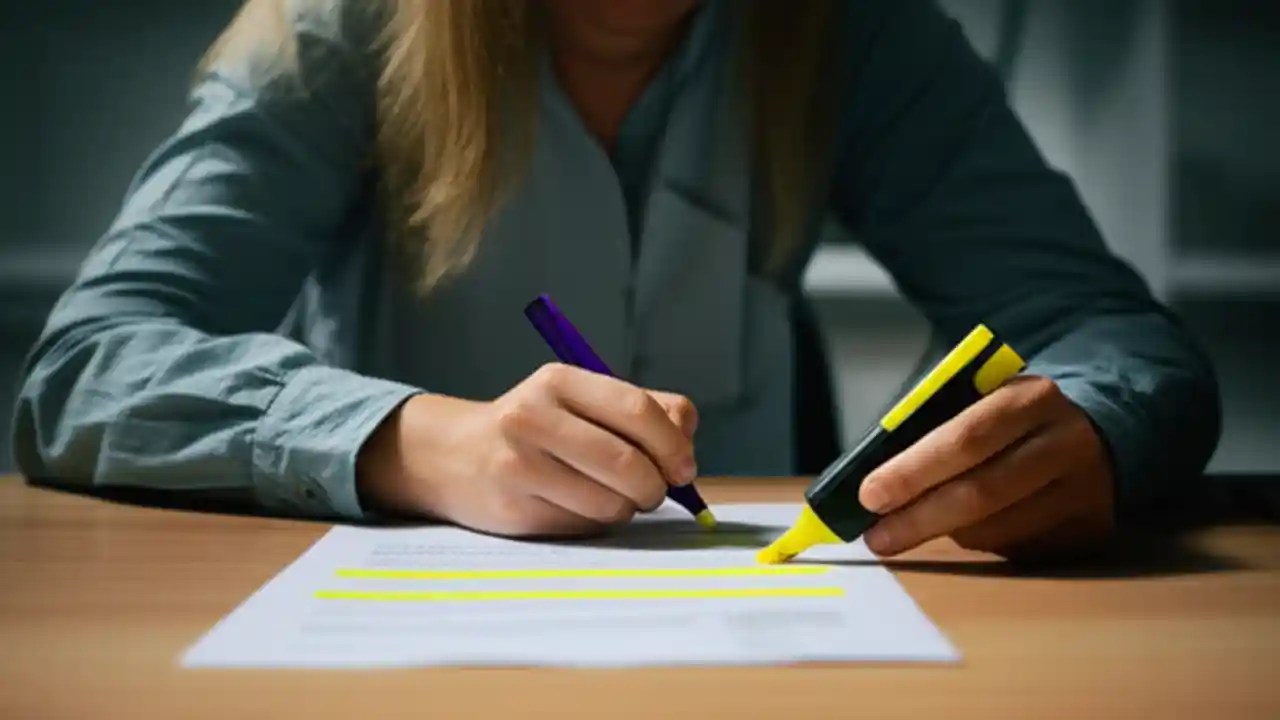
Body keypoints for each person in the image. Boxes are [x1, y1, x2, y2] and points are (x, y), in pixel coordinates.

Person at [12, 0, 1219, 559]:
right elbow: (85, 366)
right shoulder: (341, 29)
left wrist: (1092, 435)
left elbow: (1110, 337)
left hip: (775, 651)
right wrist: (414, 444)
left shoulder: (857, 34)